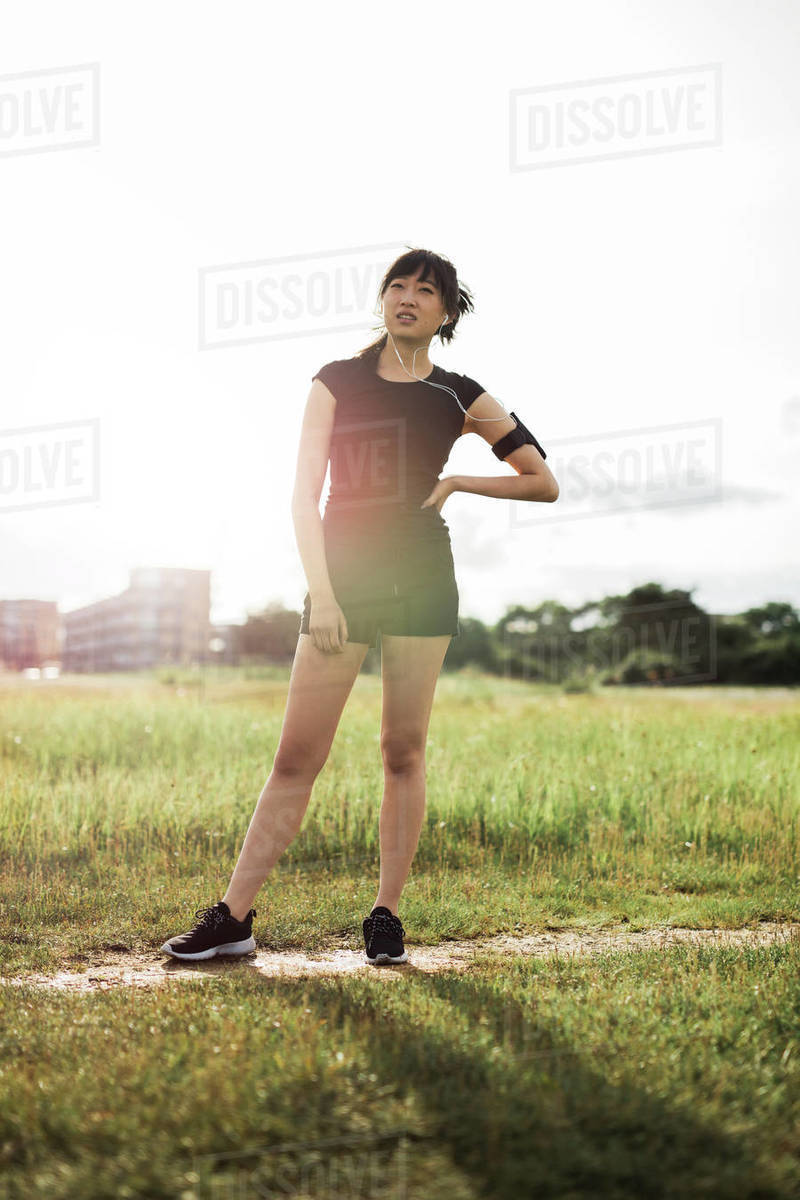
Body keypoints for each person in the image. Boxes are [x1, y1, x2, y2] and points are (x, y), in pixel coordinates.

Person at [161, 247, 559, 966]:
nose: (408, 297)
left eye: (426, 290)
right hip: (344, 574)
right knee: (295, 758)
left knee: (401, 750)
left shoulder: (459, 393)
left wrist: (460, 483)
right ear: (382, 300)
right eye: (397, 285)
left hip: (423, 577)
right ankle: (234, 916)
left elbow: (542, 480)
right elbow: (302, 495)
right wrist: (323, 592)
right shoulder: (335, 381)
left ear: (447, 311)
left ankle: (385, 916)